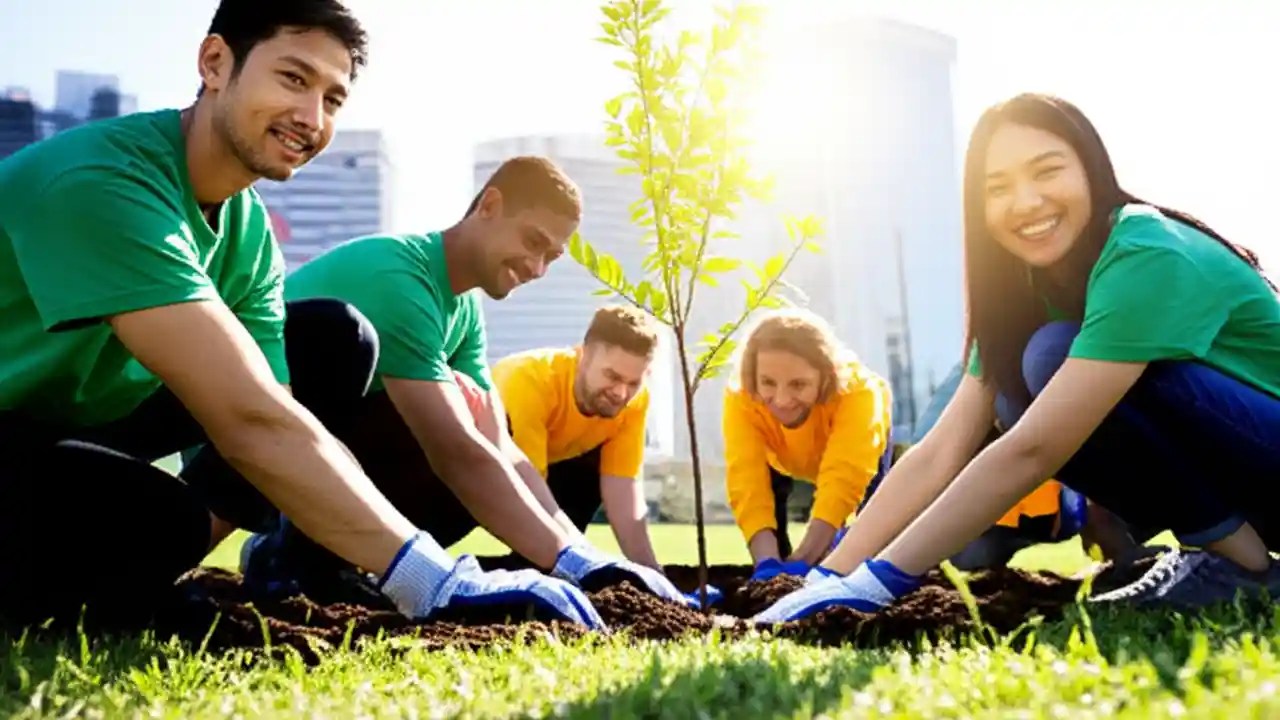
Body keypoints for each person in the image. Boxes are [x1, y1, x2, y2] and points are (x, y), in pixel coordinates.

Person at [0, 0, 603, 631]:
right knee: (155, 521)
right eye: (293, 78)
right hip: (18, 421)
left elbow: (277, 411)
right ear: (214, 62)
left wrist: (580, 562)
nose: (311, 118)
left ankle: (145, 564)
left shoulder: (249, 232)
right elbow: (247, 418)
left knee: (330, 340)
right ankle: (112, 570)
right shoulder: (105, 182)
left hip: (69, 422)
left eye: (333, 99)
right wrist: (433, 580)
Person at [754, 92, 1280, 622]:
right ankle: (1243, 565)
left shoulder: (1143, 251)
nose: (1026, 202)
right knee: (1016, 383)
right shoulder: (1026, 291)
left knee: (1050, 359)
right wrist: (832, 574)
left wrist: (879, 583)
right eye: (998, 188)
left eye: (1046, 171)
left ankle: (1244, 568)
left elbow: (1035, 448)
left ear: (1091, 171)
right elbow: (941, 450)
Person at [239, 158, 687, 607]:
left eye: (551, 257)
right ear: (489, 205)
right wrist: (564, 562)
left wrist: (581, 557)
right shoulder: (402, 277)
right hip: (241, 449)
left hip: (315, 451)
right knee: (443, 426)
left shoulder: (466, 313)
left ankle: (319, 562)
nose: (537, 268)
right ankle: (287, 552)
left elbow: (500, 449)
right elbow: (456, 452)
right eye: (534, 242)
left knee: (483, 432)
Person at [908, 360, 1147, 570]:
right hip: (993, 511)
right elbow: (929, 462)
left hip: (1062, 502)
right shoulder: (976, 375)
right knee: (975, 557)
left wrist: (1100, 514)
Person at [721, 309, 895, 582]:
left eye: (798, 384)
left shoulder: (859, 393)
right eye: (768, 382)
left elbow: (843, 477)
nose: (781, 400)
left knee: (872, 529)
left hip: (855, 455)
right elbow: (746, 479)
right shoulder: (742, 396)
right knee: (771, 553)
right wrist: (768, 566)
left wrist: (805, 560)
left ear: (825, 377)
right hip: (779, 458)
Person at [490, 305, 665, 571]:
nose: (621, 393)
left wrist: (653, 575)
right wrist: (585, 557)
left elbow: (622, 488)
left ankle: (541, 572)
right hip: (469, 464)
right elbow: (527, 485)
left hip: (550, 471)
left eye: (633, 382)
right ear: (584, 355)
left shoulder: (634, 402)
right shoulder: (532, 380)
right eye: (613, 376)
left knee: (589, 471)